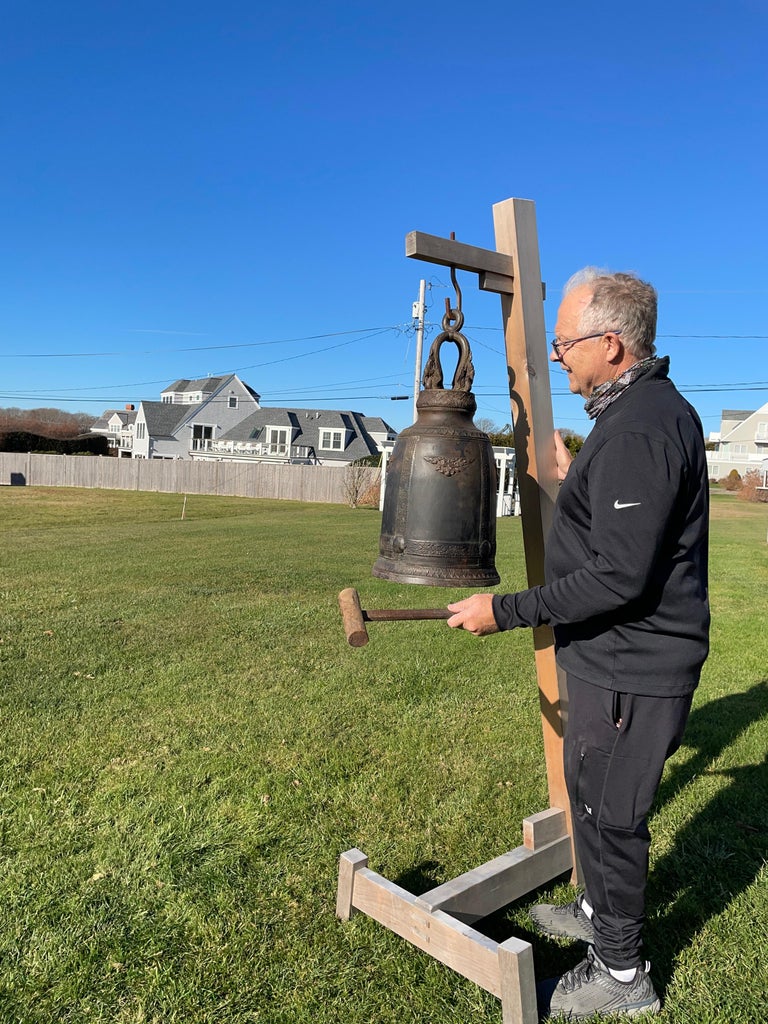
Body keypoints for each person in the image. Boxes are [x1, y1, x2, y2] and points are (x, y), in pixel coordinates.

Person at [447, 268, 710, 1020]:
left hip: (635, 661)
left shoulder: (642, 426)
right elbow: (620, 528)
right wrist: (572, 474)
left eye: (566, 341)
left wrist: (506, 610)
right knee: (590, 800)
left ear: (613, 344)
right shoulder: (625, 419)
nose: (558, 353)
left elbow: (620, 574)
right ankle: (599, 917)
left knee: (615, 817)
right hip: (607, 657)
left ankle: (624, 976)